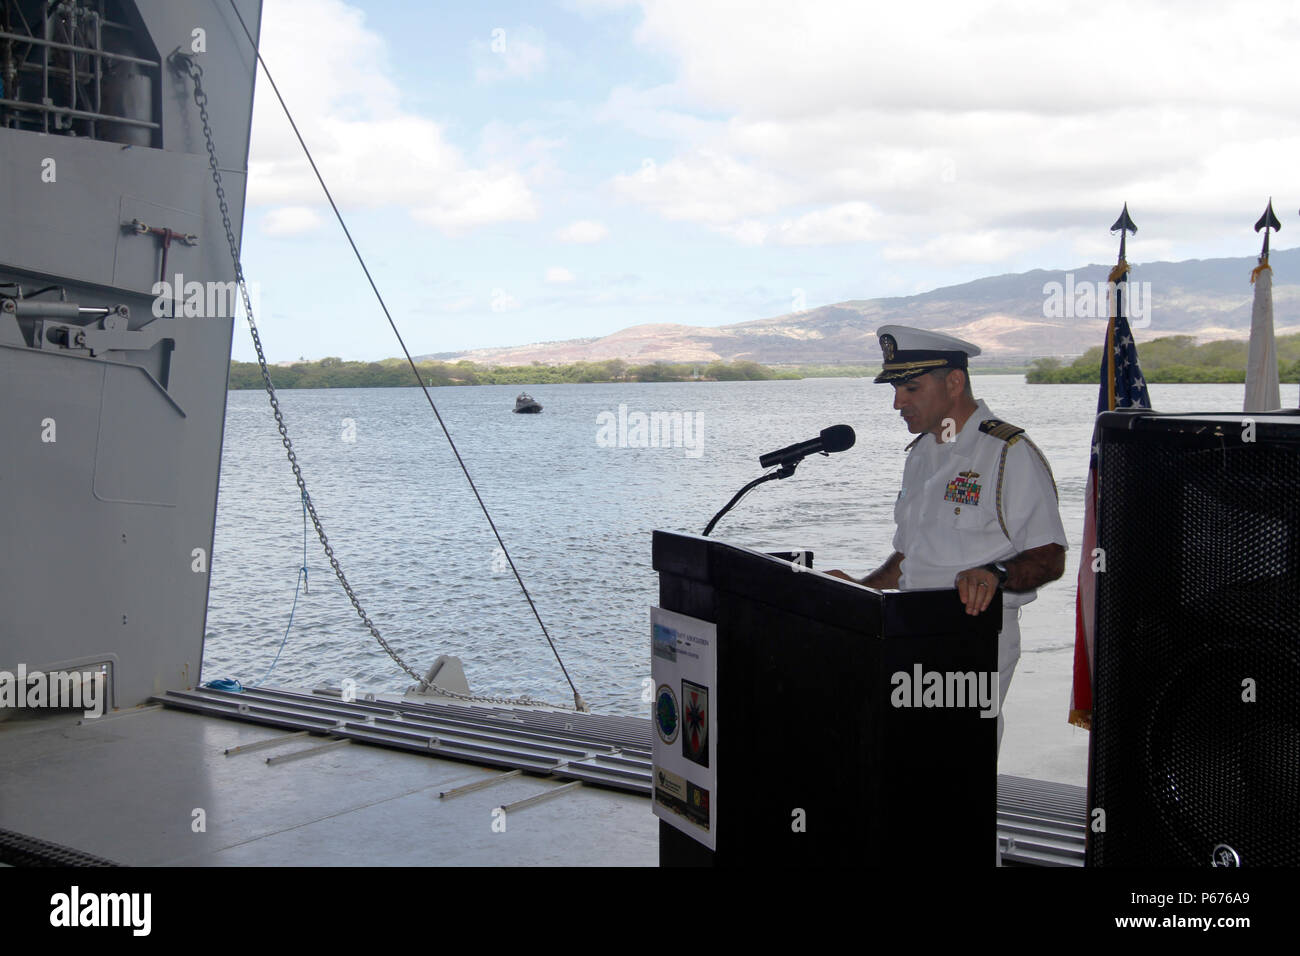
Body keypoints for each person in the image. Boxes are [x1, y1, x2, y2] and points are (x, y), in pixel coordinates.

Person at [828, 325, 1068, 756]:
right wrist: (859, 592)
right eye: (896, 389)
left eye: (910, 387)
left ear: (954, 382)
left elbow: (1050, 558)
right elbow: (910, 557)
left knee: (956, 772)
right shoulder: (922, 454)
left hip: (971, 637)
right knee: (902, 766)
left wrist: (995, 573)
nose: (898, 402)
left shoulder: (1007, 452)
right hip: (907, 633)